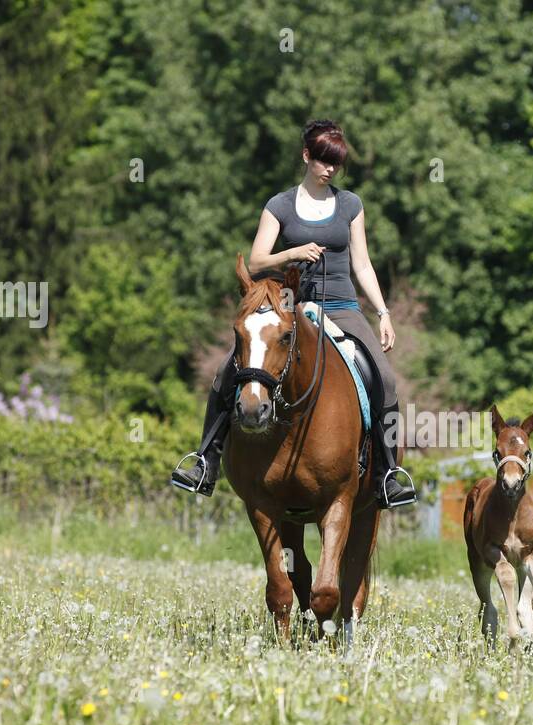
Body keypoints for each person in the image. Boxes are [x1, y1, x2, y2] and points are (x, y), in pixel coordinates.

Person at [170, 118, 416, 508]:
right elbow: (254, 262)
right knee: (226, 372)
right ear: (306, 156)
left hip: (343, 305)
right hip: (289, 305)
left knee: (384, 378)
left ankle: (388, 474)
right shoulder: (279, 205)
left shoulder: (351, 204)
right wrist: (292, 253)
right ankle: (205, 460)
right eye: (323, 160)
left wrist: (383, 312)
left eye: (336, 162)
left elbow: (363, 264)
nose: (330, 168)